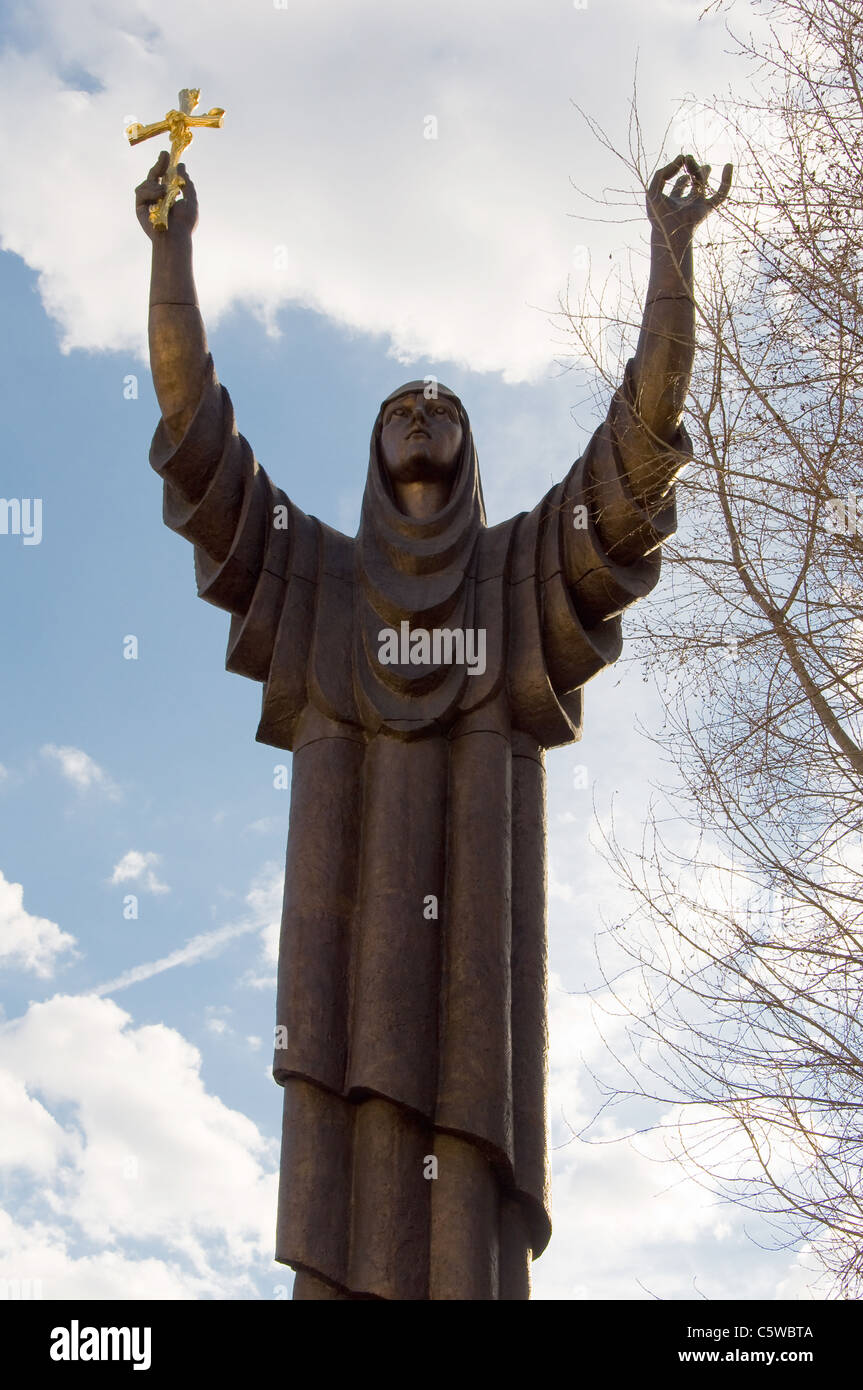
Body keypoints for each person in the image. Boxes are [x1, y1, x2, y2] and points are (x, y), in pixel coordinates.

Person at [136, 149, 731, 1299]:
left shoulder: (518, 573)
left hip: (472, 923)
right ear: (372, 447)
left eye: (443, 405)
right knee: (341, 1107)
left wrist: (670, 260)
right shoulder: (312, 574)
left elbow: (632, 462)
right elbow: (199, 443)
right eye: (400, 407)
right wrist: (169, 250)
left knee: (457, 1144)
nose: (420, 415)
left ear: (467, 446)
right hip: (341, 937)